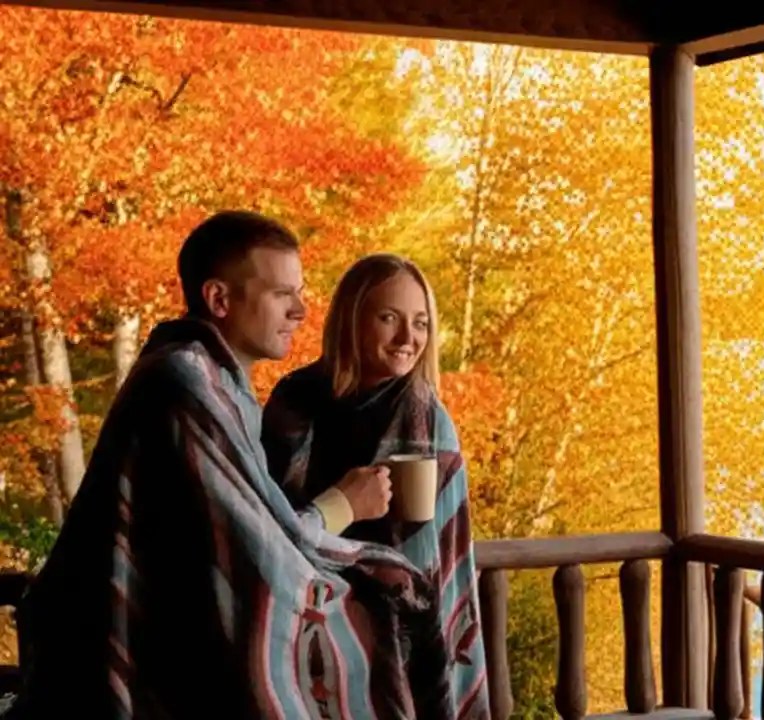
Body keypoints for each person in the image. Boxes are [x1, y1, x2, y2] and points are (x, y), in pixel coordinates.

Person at [5, 211, 454, 719]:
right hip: (105, 659)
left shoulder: (221, 385)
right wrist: (344, 505)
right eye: (282, 295)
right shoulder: (184, 383)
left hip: (151, 641)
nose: (301, 311)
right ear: (219, 299)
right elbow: (261, 547)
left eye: (300, 293)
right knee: (387, 606)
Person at [261, 254, 489, 719]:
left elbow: (445, 559)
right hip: (300, 615)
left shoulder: (430, 422)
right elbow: (263, 522)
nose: (408, 338)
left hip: (403, 628)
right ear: (352, 319)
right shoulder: (294, 401)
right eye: (389, 318)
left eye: (421, 323)